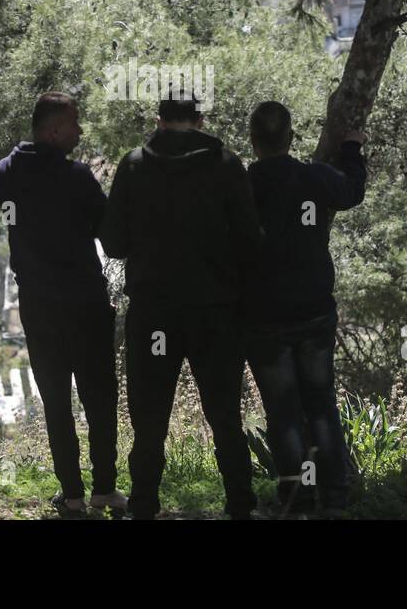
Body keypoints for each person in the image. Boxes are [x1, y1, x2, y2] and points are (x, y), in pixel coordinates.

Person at [100, 93, 262, 520]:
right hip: (215, 313)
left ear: (159, 121)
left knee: (150, 416)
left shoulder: (133, 164)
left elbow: (112, 243)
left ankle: (145, 504)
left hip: (155, 316)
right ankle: (242, 505)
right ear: (200, 121)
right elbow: (250, 240)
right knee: (225, 414)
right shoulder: (226, 164)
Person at [0, 92, 126, 516]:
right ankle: (105, 488)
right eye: (74, 124)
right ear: (53, 131)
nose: (80, 130)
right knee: (100, 398)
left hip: (38, 304)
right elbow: (110, 237)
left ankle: (72, 495)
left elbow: (16, 218)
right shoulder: (78, 177)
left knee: (56, 401)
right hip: (84, 302)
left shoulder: (5, 172)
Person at [242, 101, 366, 516]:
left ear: (253, 141)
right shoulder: (312, 178)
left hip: (263, 318)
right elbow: (352, 191)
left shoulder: (240, 186)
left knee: (283, 412)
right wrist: (351, 148)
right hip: (313, 311)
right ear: (291, 138)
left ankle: (298, 499)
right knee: (321, 405)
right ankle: (335, 496)